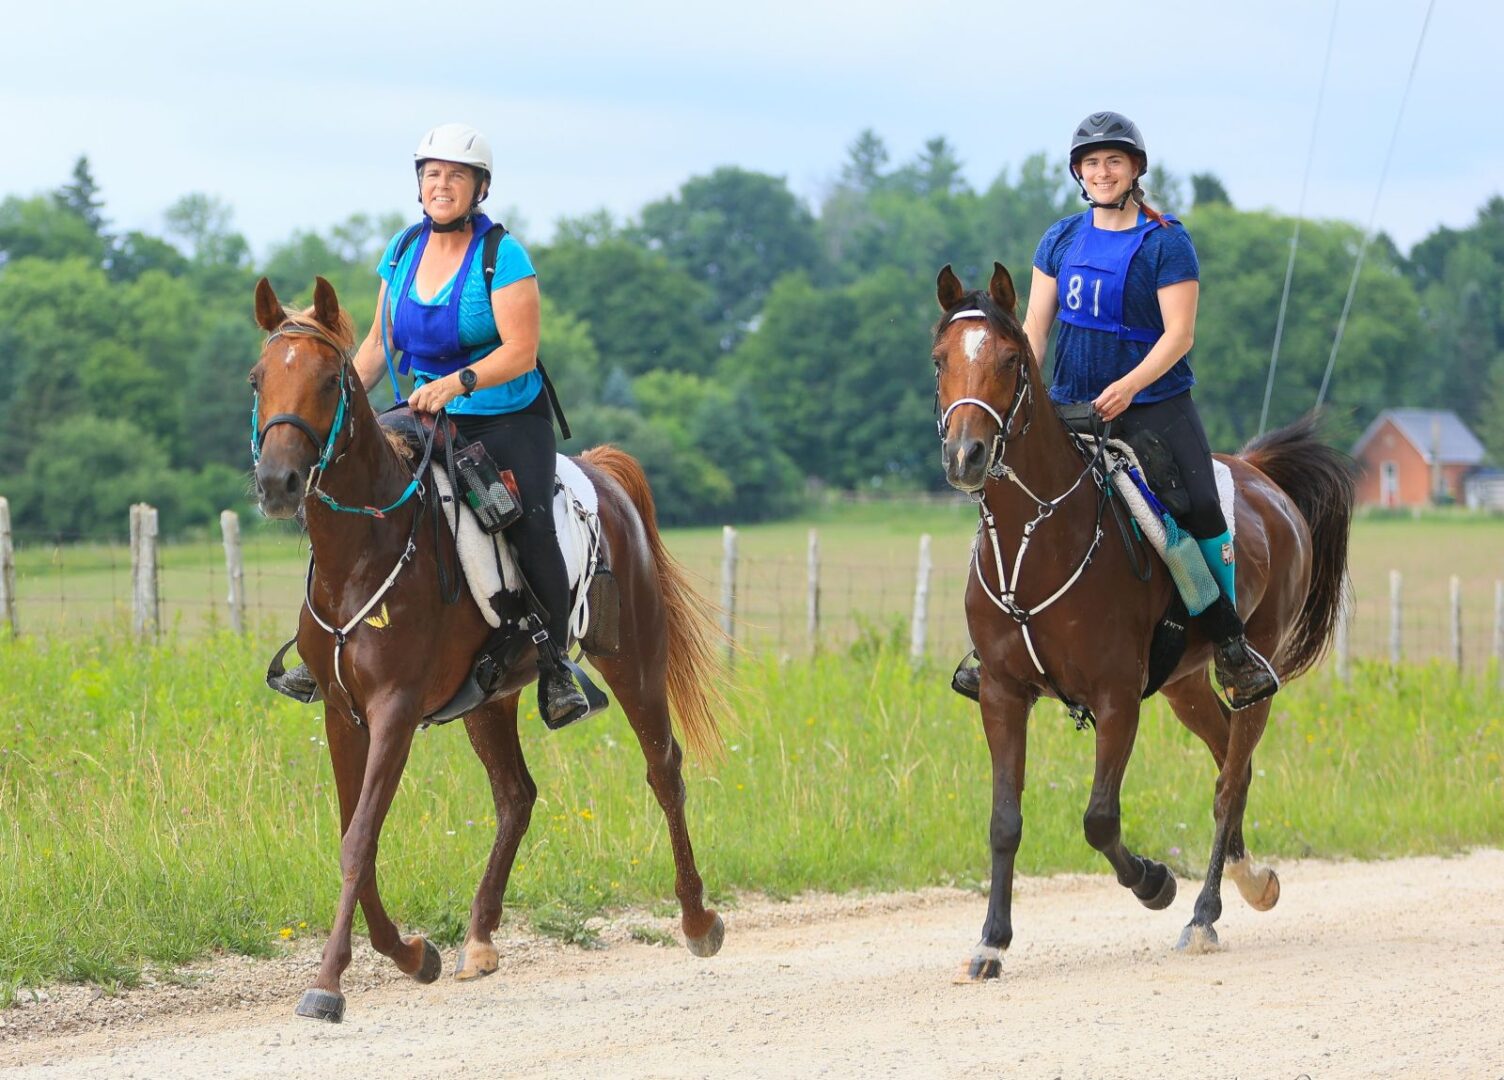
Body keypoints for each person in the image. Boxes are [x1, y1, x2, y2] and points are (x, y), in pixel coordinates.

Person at [952, 111, 1278, 710]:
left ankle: (1230, 644)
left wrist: (1128, 386)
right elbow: (1034, 331)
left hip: (1152, 405)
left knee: (1197, 507)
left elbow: (1179, 336)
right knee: (1006, 494)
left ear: (1134, 170)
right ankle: (994, 642)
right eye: (1092, 163)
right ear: (1080, 173)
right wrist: (1024, 386)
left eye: (1114, 162)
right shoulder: (1060, 239)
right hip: (1071, 405)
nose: (1102, 172)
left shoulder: (1166, 242)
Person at [269, 122, 590, 728]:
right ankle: (319, 647)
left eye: (456, 176)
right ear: (420, 186)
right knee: (342, 493)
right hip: (423, 414)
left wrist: (456, 383)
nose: (442, 186)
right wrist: (340, 403)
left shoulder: (503, 256)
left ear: (479, 188)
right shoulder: (403, 249)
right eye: (432, 175)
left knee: (526, 524)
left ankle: (554, 665)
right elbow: (379, 342)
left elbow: (520, 351)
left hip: (503, 418)